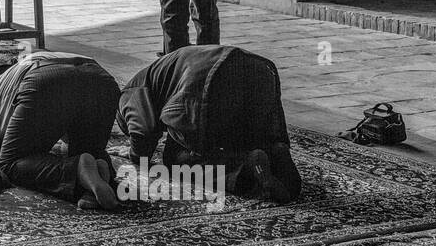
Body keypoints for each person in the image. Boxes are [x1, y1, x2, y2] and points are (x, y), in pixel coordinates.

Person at [116, 45, 302, 204]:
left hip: (211, 79)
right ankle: (275, 153)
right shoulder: (160, 74)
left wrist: (135, 154)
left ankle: (244, 168)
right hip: (260, 69)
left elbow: (143, 132)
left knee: (176, 160)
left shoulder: (128, 93)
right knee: (244, 138)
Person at [0, 52, 121, 210]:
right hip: (102, 80)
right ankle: (97, 174)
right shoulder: (4, 88)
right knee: (88, 152)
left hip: (47, 78)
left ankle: (77, 168)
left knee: (10, 164)